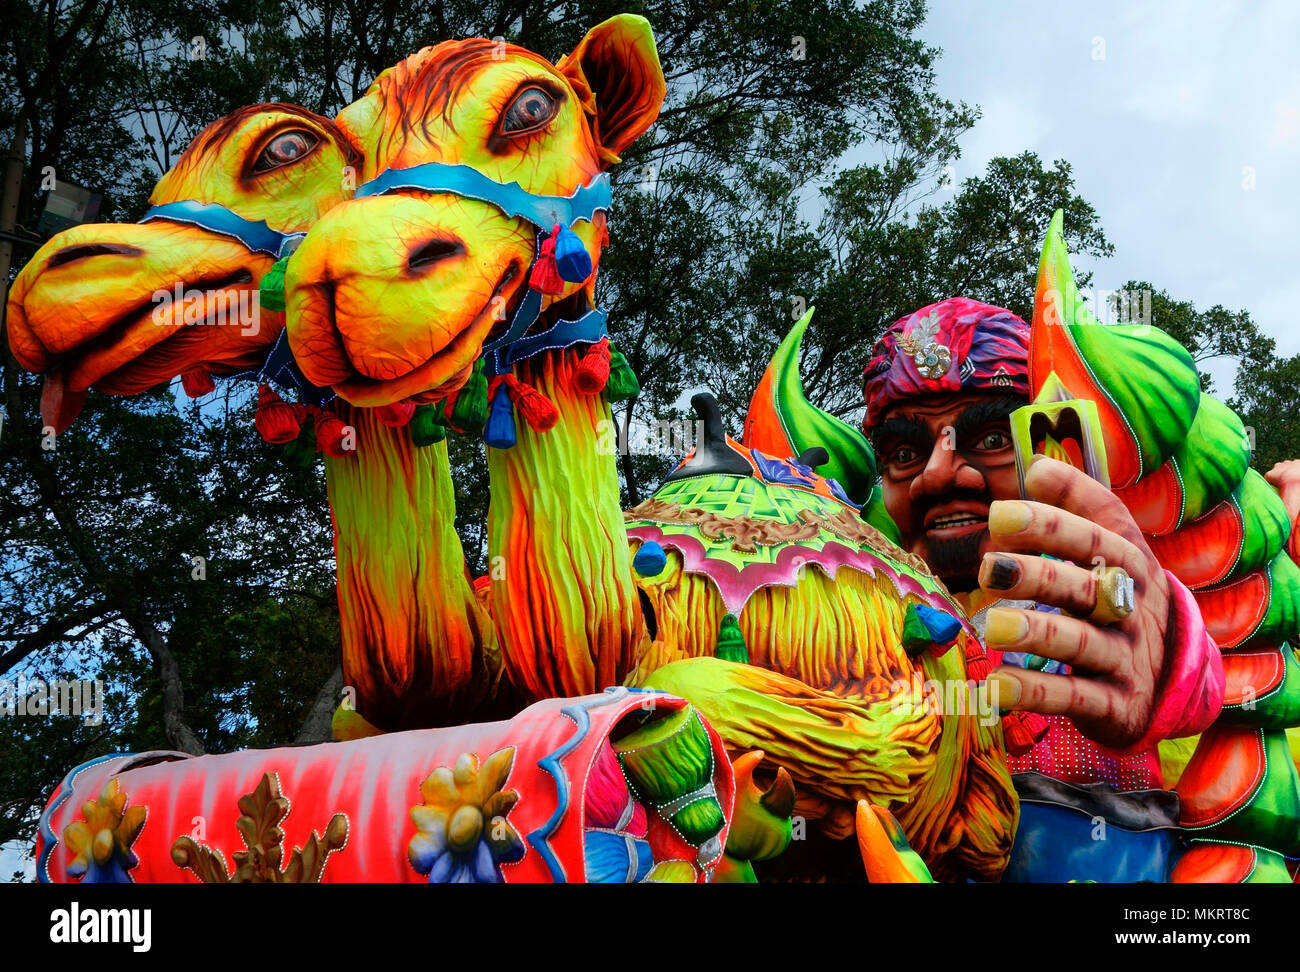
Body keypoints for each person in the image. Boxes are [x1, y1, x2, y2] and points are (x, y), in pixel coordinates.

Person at [862, 297, 1225, 881]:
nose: (937, 473)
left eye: (989, 440)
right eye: (906, 453)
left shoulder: (1112, 598)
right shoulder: (861, 626)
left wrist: (1174, 664)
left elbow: (1208, 687)